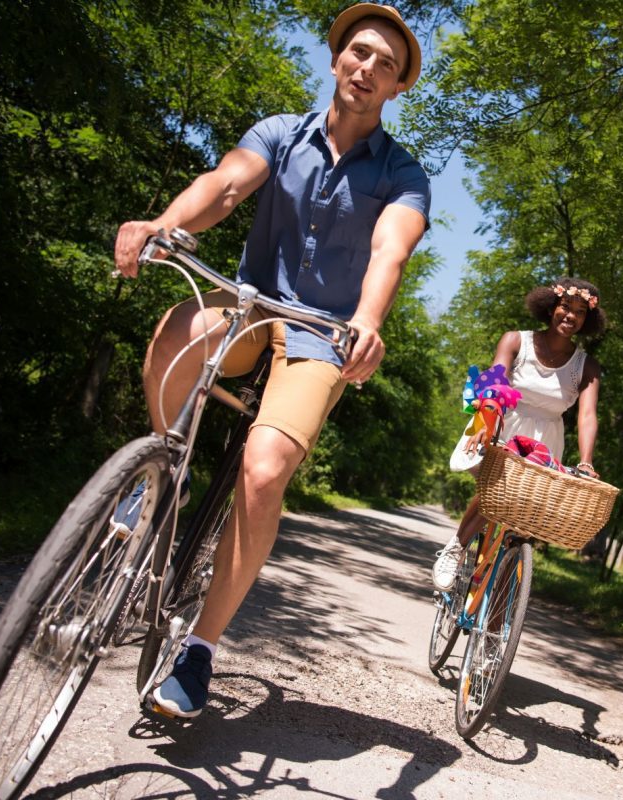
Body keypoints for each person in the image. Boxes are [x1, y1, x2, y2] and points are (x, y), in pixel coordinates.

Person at [112, 3, 430, 719]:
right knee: (178, 330)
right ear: (336, 58)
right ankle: (166, 476)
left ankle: (198, 652)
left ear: (398, 87)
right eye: (358, 52)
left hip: (321, 337)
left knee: (262, 472)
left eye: (386, 63)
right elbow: (225, 185)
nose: (367, 68)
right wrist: (163, 224)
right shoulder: (281, 134)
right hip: (254, 306)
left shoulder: (405, 175)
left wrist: (368, 321)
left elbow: (391, 250)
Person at [433, 278, 608, 590]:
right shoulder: (516, 340)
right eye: (566, 307)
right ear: (551, 307)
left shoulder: (587, 366)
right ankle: (456, 548)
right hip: (501, 421)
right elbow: (496, 379)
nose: (571, 316)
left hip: (545, 440)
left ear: (587, 320)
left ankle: (496, 627)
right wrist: (487, 422)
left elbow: (587, 415)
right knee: (494, 493)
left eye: (580, 312)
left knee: (522, 526)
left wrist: (586, 462)